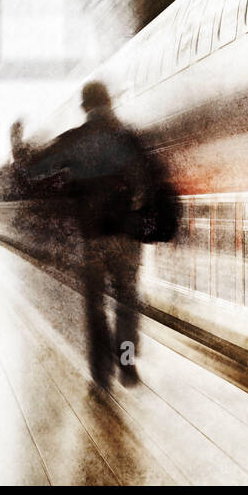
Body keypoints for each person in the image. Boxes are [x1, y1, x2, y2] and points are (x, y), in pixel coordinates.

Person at [70, 81, 149, 390]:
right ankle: (126, 364)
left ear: (85, 107)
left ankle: (101, 375)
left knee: (96, 307)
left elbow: (64, 186)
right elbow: (145, 182)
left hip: (93, 240)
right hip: (127, 239)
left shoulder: (78, 141)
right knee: (127, 302)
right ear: (110, 101)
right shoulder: (128, 137)